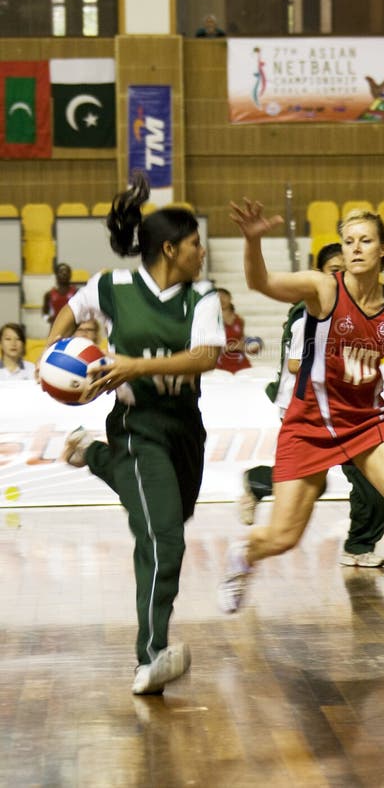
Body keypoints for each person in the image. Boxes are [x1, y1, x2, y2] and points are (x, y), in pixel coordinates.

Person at [219, 199, 384, 646]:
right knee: (284, 537)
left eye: (366, 241)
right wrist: (252, 241)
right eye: (348, 242)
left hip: (369, 422)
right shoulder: (323, 289)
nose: (356, 248)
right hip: (310, 423)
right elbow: (261, 281)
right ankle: (244, 553)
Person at [45, 171, 225, 695]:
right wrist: (50, 357)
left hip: (184, 428)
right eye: (195, 243)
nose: (203, 250)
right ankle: (150, 656)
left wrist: (133, 366)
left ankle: (92, 456)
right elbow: (68, 313)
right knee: (162, 536)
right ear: (170, 248)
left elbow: (207, 356)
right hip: (135, 426)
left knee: (173, 514)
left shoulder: (204, 297)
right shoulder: (111, 286)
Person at [239, 242, 384, 569]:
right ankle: (260, 485)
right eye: (332, 269)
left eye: (344, 268)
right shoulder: (308, 313)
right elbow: (296, 364)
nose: (339, 273)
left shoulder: (359, 309)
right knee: (320, 484)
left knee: (367, 483)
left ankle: (358, 545)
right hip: (309, 409)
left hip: (347, 409)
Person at [215, 287, 253, 374]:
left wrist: (248, 347)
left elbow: (242, 340)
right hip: (220, 362)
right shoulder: (212, 320)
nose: (221, 299)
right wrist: (229, 348)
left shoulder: (239, 320)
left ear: (230, 298)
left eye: (224, 296)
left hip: (239, 361)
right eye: (218, 297)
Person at [42, 262, 78, 326]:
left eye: (66, 272)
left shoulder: (76, 293)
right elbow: (44, 313)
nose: (64, 273)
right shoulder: (49, 294)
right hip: (55, 327)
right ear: (56, 275)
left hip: (72, 327)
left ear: (70, 275)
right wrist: (48, 319)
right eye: (61, 272)